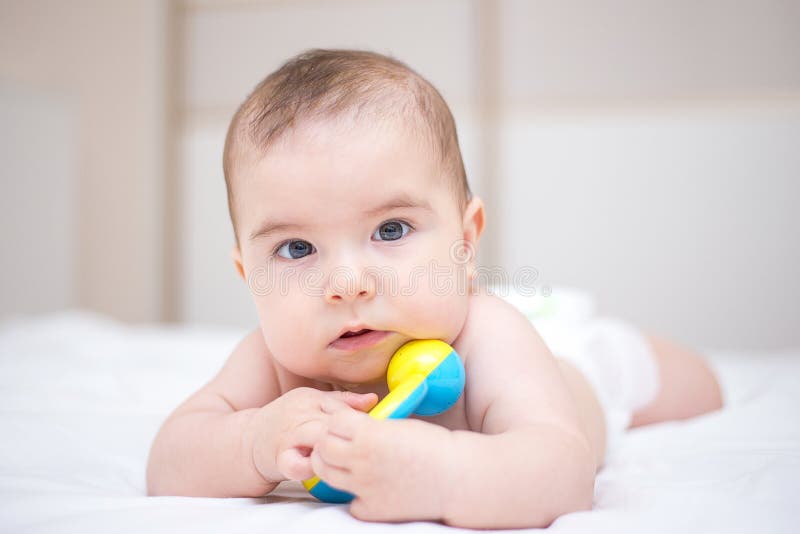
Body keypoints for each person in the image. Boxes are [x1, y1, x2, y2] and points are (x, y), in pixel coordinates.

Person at [146, 49, 723, 529]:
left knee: (699, 388)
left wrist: (443, 474)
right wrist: (253, 441)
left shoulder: (488, 338)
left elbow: (564, 470)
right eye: (296, 249)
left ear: (465, 242)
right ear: (249, 275)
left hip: (575, 363)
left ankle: (625, 355)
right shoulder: (274, 365)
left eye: (390, 230)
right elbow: (170, 461)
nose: (347, 285)